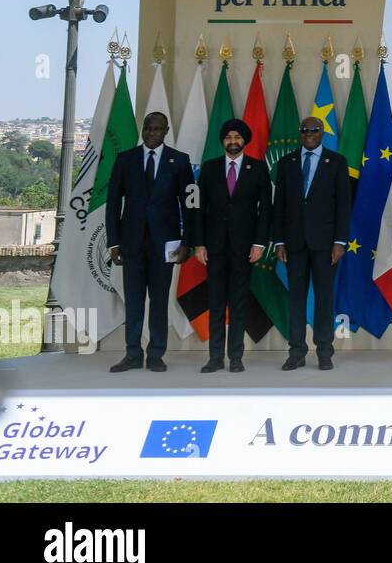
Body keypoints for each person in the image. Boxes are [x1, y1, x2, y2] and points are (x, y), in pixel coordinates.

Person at [105, 111, 195, 373]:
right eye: (148, 128)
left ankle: (156, 354)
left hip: (164, 245)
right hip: (131, 243)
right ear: (142, 130)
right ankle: (132, 354)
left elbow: (189, 205)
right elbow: (113, 204)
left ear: (166, 131)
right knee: (133, 300)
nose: (151, 133)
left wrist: (187, 241)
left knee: (158, 301)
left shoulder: (179, 161)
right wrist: (113, 242)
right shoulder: (125, 159)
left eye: (157, 129)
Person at [190, 118, 271, 374]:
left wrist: (259, 243)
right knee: (215, 303)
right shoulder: (210, 168)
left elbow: (265, 210)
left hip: (245, 248)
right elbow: (199, 209)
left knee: (238, 303)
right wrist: (199, 243)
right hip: (213, 248)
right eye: (228, 138)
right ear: (222, 141)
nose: (233, 142)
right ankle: (215, 358)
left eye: (237, 138)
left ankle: (236, 356)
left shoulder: (258, 169)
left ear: (244, 141)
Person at [272, 116, 351, 371]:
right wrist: (279, 240)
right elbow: (279, 205)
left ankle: (324, 351)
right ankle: (296, 351)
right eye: (304, 130)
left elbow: (343, 205)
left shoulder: (337, 162)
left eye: (314, 130)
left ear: (322, 133)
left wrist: (340, 241)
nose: (309, 133)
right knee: (296, 298)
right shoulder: (287, 163)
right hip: (294, 243)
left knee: (324, 298)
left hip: (326, 243)